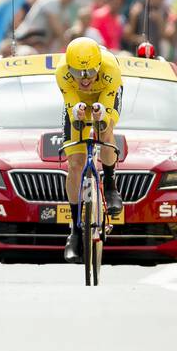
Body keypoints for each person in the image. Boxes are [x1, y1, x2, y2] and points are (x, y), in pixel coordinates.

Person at [55, 36, 124, 262]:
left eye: (89, 73)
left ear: (98, 66)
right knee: (75, 163)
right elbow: (72, 107)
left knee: (105, 130)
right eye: (77, 73)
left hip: (105, 97)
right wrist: (77, 113)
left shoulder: (110, 68)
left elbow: (107, 112)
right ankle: (74, 233)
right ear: (69, 68)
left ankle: (111, 184)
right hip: (78, 103)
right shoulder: (61, 73)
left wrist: (102, 115)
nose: (84, 79)